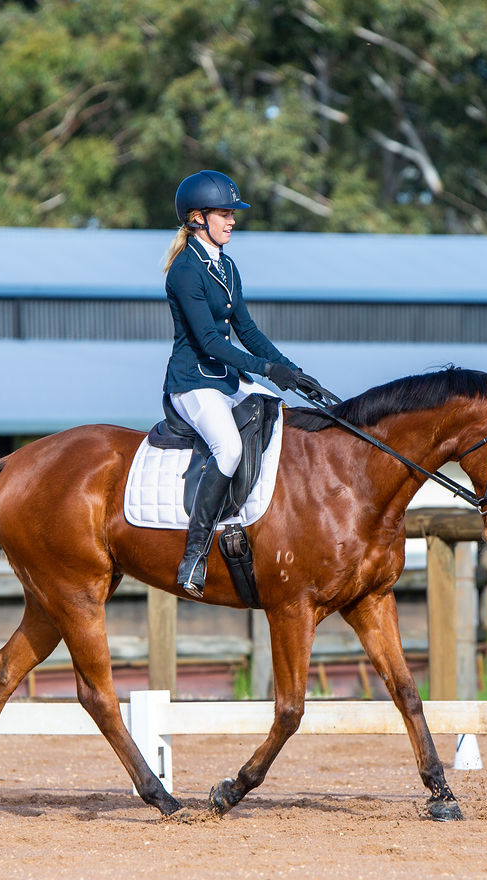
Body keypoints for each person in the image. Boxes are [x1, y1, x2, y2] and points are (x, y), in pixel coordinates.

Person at [162, 169, 323, 596]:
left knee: (284, 416)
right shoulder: (184, 271)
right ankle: (194, 554)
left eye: (233, 213)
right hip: (193, 383)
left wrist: (293, 372)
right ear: (197, 218)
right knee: (229, 448)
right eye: (223, 213)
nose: (232, 220)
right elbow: (211, 341)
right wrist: (266, 370)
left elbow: (247, 331)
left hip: (226, 378)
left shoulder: (227, 266)